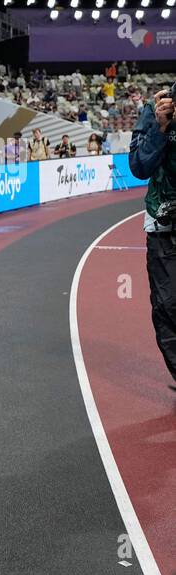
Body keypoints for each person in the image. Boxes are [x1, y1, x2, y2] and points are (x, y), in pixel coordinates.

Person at [128, 87, 176, 388]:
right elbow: (138, 167)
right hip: (163, 226)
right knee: (168, 305)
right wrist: (159, 128)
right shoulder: (154, 111)